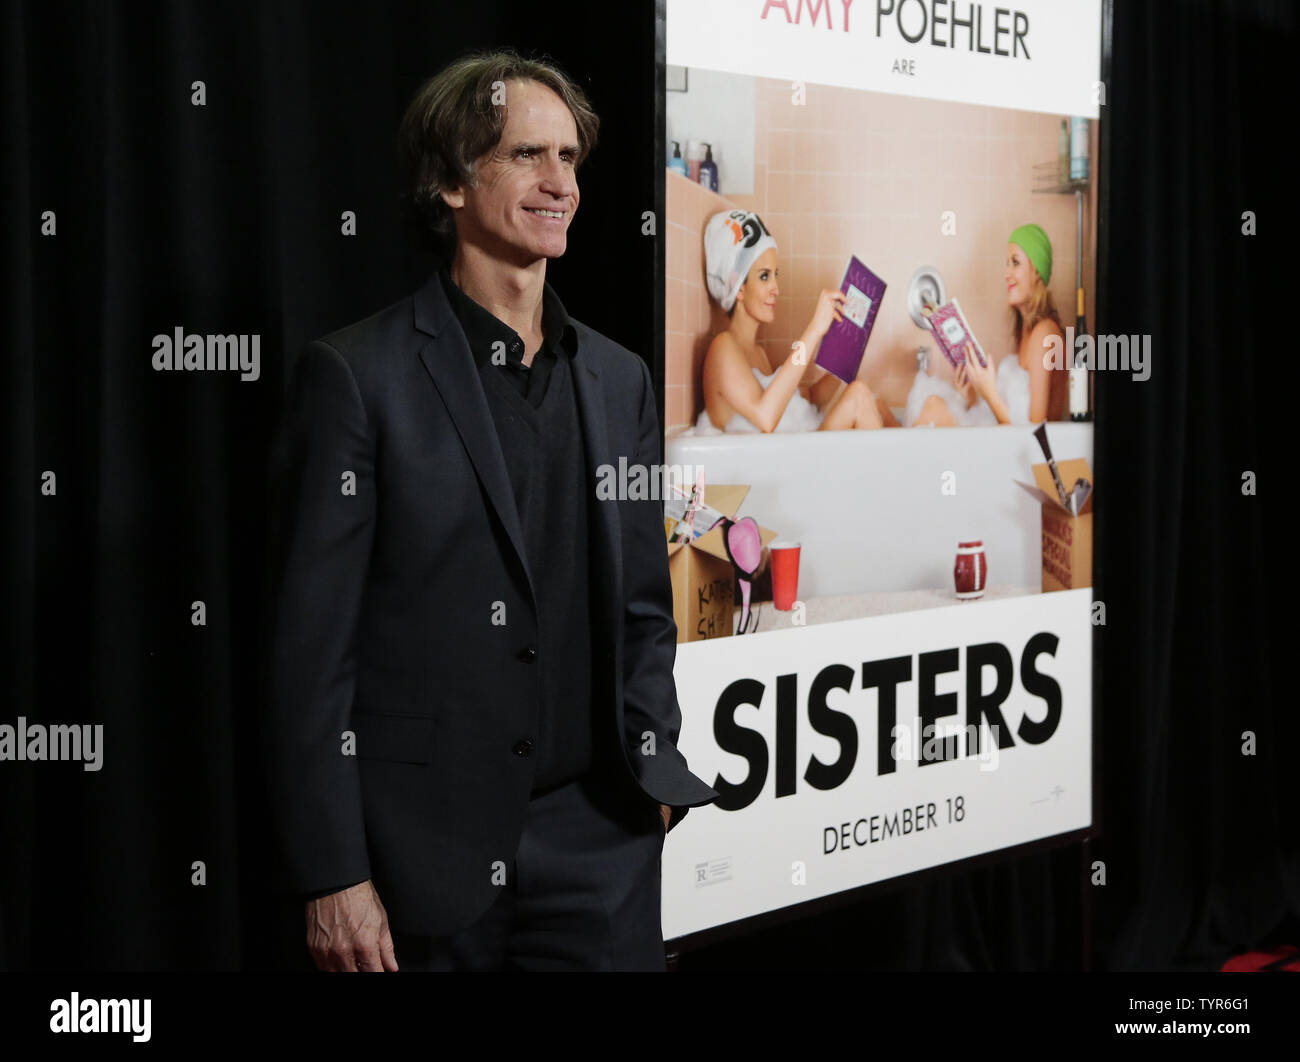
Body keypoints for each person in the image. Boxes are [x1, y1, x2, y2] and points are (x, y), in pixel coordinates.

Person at [261, 48, 716, 973]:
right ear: (450, 184)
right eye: (527, 157)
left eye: (571, 160)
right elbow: (311, 656)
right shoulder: (357, 378)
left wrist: (651, 767)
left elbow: (641, 607)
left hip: (603, 849)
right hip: (426, 863)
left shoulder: (618, 378)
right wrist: (333, 874)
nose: (561, 183)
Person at [694, 209, 896, 433]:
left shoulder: (757, 353)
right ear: (738, 286)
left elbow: (808, 398)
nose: (776, 288)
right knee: (858, 396)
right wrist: (815, 328)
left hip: (785, 458)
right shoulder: (723, 348)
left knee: (878, 406)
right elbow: (765, 417)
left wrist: (849, 352)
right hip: (764, 466)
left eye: (775, 275)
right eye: (764, 276)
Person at [905, 223, 1065, 427]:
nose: (1007, 273)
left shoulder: (1045, 334)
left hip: (1023, 453)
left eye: (1015, 263)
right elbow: (1006, 416)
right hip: (1003, 446)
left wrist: (989, 393)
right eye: (1006, 264)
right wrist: (971, 396)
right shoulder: (1027, 331)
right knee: (925, 405)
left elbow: (1036, 435)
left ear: (1037, 271)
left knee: (934, 408)